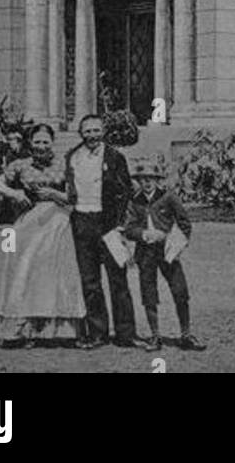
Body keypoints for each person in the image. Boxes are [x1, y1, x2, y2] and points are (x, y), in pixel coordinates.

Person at [0, 123, 85, 346]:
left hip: (58, 222)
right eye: (37, 142)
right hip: (28, 224)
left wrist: (54, 193)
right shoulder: (20, 164)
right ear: (30, 143)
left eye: (45, 142)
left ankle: (60, 330)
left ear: (52, 143)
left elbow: (75, 197)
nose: (41, 146)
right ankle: (26, 330)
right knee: (26, 271)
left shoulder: (65, 164)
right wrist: (14, 193)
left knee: (55, 272)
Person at [65, 113, 136, 348]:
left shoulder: (115, 157)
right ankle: (98, 333)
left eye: (96, 130)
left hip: (109, 224)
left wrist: (120, 224)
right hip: (82, 222)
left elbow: (126, 191)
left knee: (118, 280)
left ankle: (126, 334)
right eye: (87, 131)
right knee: (90, 281)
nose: (92, 135)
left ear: (103, 131)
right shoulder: (72, 156)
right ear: (81, 133)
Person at [123, 157, 205, 351]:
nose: (147, 182)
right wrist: (143, 234)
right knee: (148, 293)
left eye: (151, 178)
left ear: (158, 179)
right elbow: (129, 228)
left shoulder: (168, 197)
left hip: (167, 251)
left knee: (180, 290)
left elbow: (184, 223)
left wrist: (173, 241)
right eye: (142, 179)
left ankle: (186, 335)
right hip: (145, 252)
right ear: (138, 181)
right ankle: (155, 336)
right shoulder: (134, 201)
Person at [0, 125, 26, 227]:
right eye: (8, 139)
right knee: (9, 226)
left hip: (22, 192)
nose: (9, 142)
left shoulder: (25, 154)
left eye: (12, 140)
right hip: (11, 190)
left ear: (19, 141)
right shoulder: (9, 153)